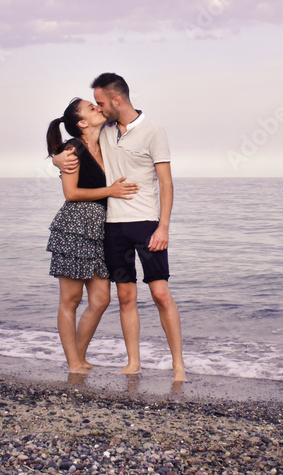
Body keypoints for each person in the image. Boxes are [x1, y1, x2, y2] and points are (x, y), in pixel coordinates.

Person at [53, 74, 186, 382]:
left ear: (115, 100)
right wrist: (57, 158)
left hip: (147, 224)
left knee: (160, 294)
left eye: (99, 103)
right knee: (125, 297)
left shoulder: (153, 130)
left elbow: (166, 182)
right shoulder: (106, 132)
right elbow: (74, 148)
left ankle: (179, 365)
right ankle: (132, 363)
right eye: (93, 106)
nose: (98, 109)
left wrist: (163, 226)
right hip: (112, 227)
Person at [45, 97, 138, 373]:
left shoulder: (106, 139)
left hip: (101, 228)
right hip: (75, 227)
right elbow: (71, 194)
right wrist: (109, 191)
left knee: (100, 300)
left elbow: (124, 110)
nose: (98, 108)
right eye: (91, 107)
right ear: (82, 123)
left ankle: (78, 356)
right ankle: (74, 362)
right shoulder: (73, 149)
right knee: (70, 300)